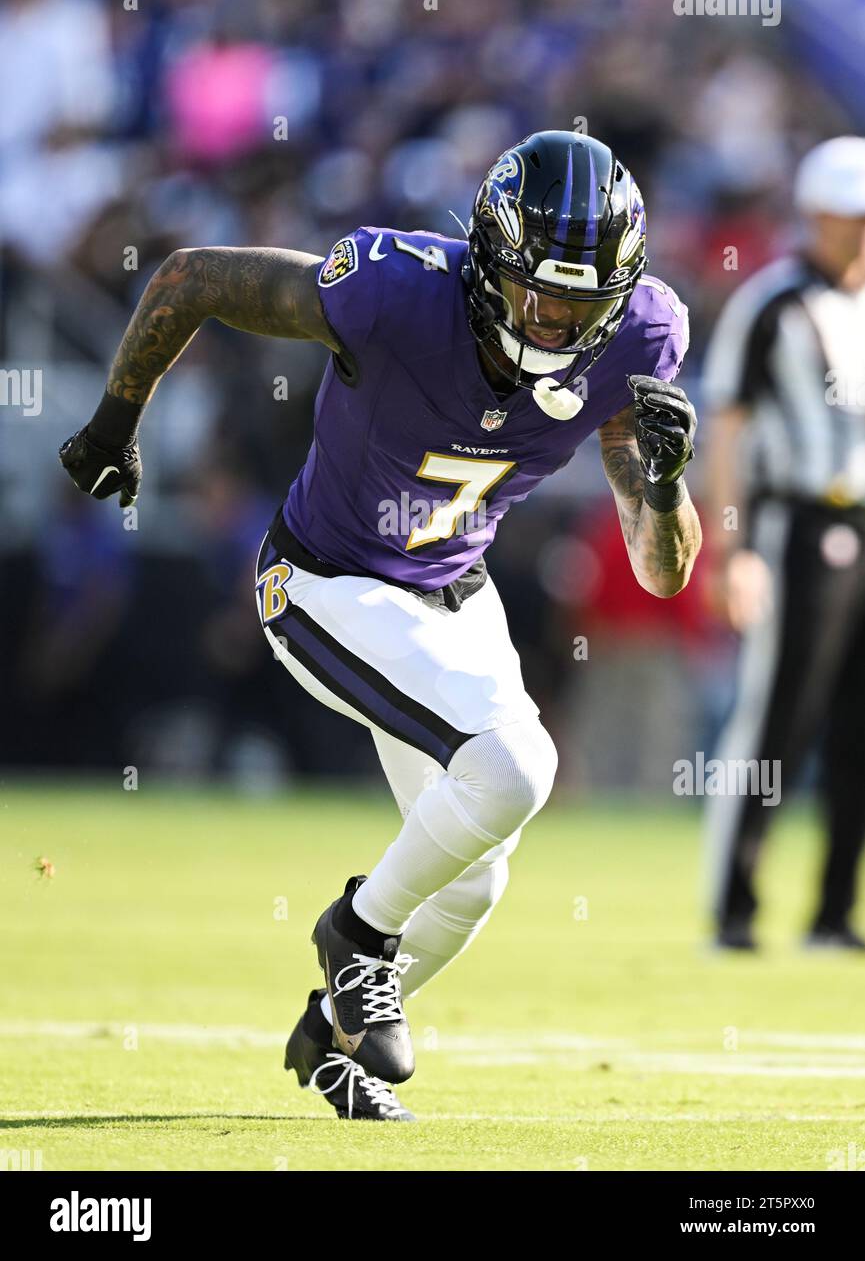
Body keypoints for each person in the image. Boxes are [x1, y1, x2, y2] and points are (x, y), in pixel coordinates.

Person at [59, 130, 700, 1119]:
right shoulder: (397, 290)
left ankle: (330, 1032)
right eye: (536, 291)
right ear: (488, 259)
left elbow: (663, 572)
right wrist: (113, 423)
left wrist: (663, 482)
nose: (554, 318)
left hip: (454, 592)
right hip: (325, 582)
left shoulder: (639, 341)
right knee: (517, 767)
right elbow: (192, 277)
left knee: (475, 878)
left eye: (578, 303)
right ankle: (357, 937)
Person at [703, 135, 865, 952]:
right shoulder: (771, 302)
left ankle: (833, 912)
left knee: (856, 729)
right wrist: (731, 549)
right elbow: (726, 427)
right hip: (794, 523)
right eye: (847, 218)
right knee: (776, 715)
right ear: (814, 216)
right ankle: (733, 905)